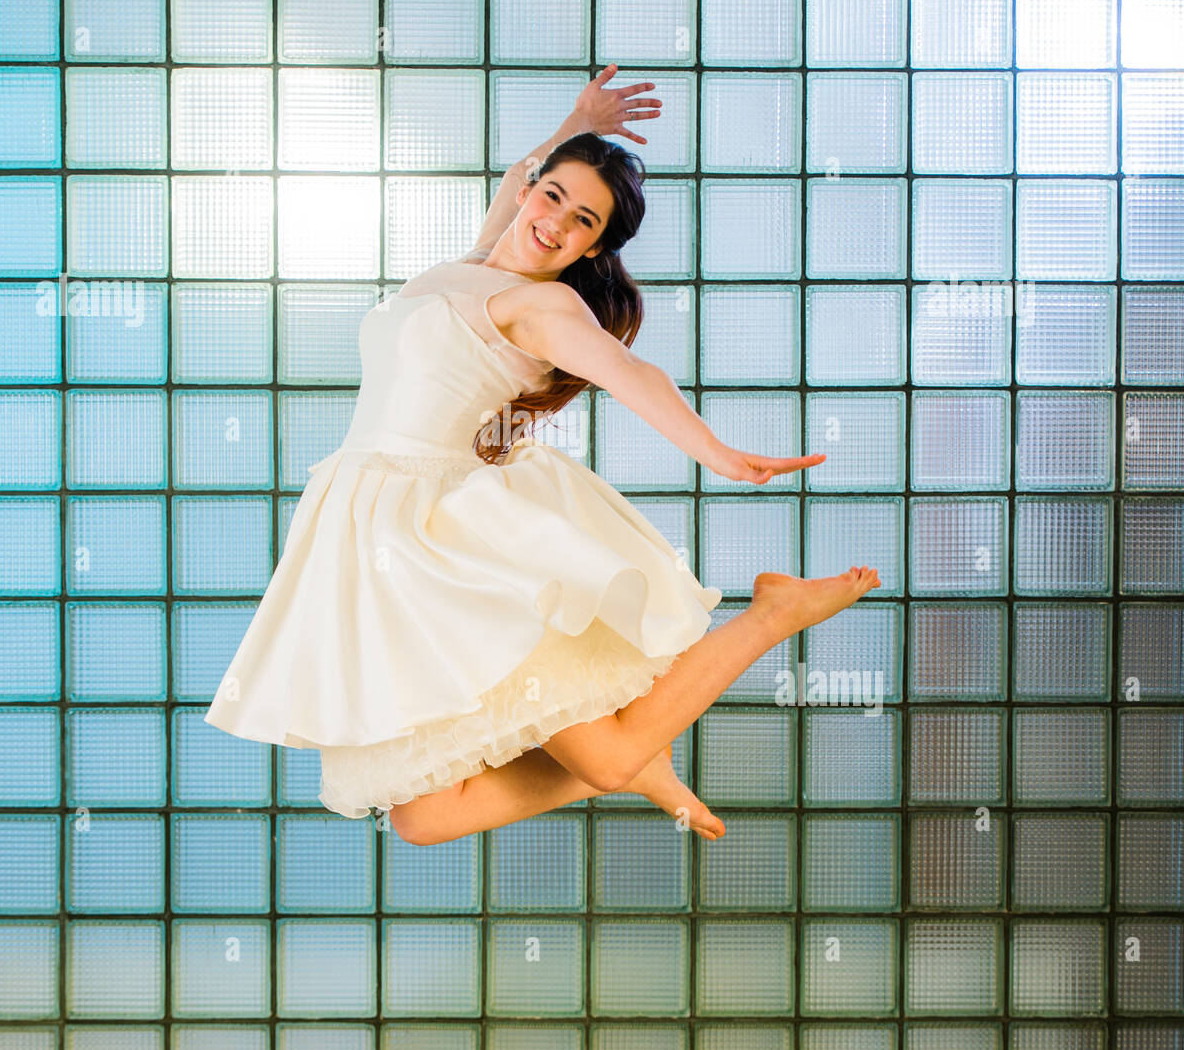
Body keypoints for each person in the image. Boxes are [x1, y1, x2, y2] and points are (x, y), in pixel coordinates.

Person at [205, 64, 881, 845]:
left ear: (593, 249)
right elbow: (517, 175)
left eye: (583, 222)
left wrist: (717, 453)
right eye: (552, 196)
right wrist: (578, 119)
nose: (555, 222)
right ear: (531, 191)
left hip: (440, 536)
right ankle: (641, 764)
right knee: (423, 816)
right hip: (379, 532)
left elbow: (628, 370)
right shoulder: (472, 264)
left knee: (610, 754)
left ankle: (770, 616)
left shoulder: (544, 307)